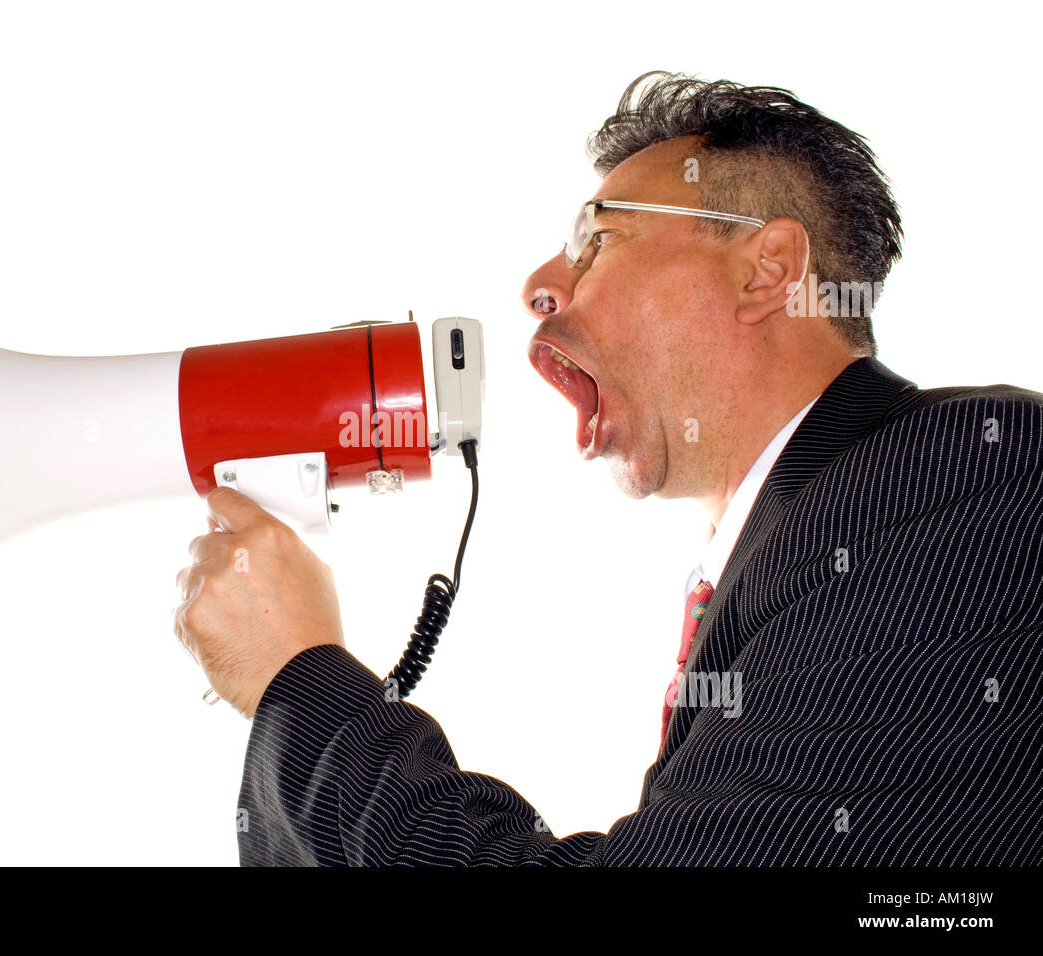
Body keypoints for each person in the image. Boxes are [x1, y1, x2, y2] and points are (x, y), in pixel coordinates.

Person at [174, 72, 1043, 865]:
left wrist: (303, 683)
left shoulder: (964, 472)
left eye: (596, 241)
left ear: (766, 270)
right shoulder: (789, 558)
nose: (539, 284)